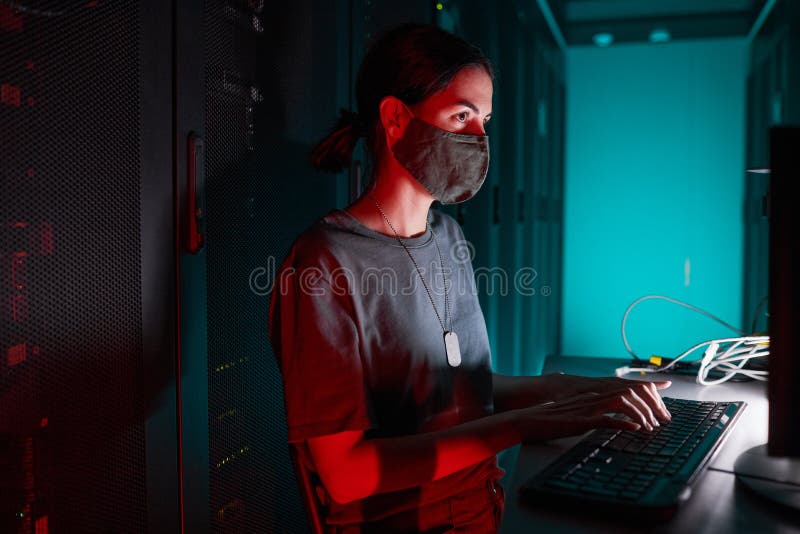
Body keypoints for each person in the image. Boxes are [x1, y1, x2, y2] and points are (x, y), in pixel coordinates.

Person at [268, 22, 672, 533]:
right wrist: (523, 424)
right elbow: (345, 474)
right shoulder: (324, 263)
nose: (480, 138)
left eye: (485, 119)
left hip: (484, 508)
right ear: (395, 118)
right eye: (462, 116)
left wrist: (578, 394)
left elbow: (462, 391)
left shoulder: (449, 238)